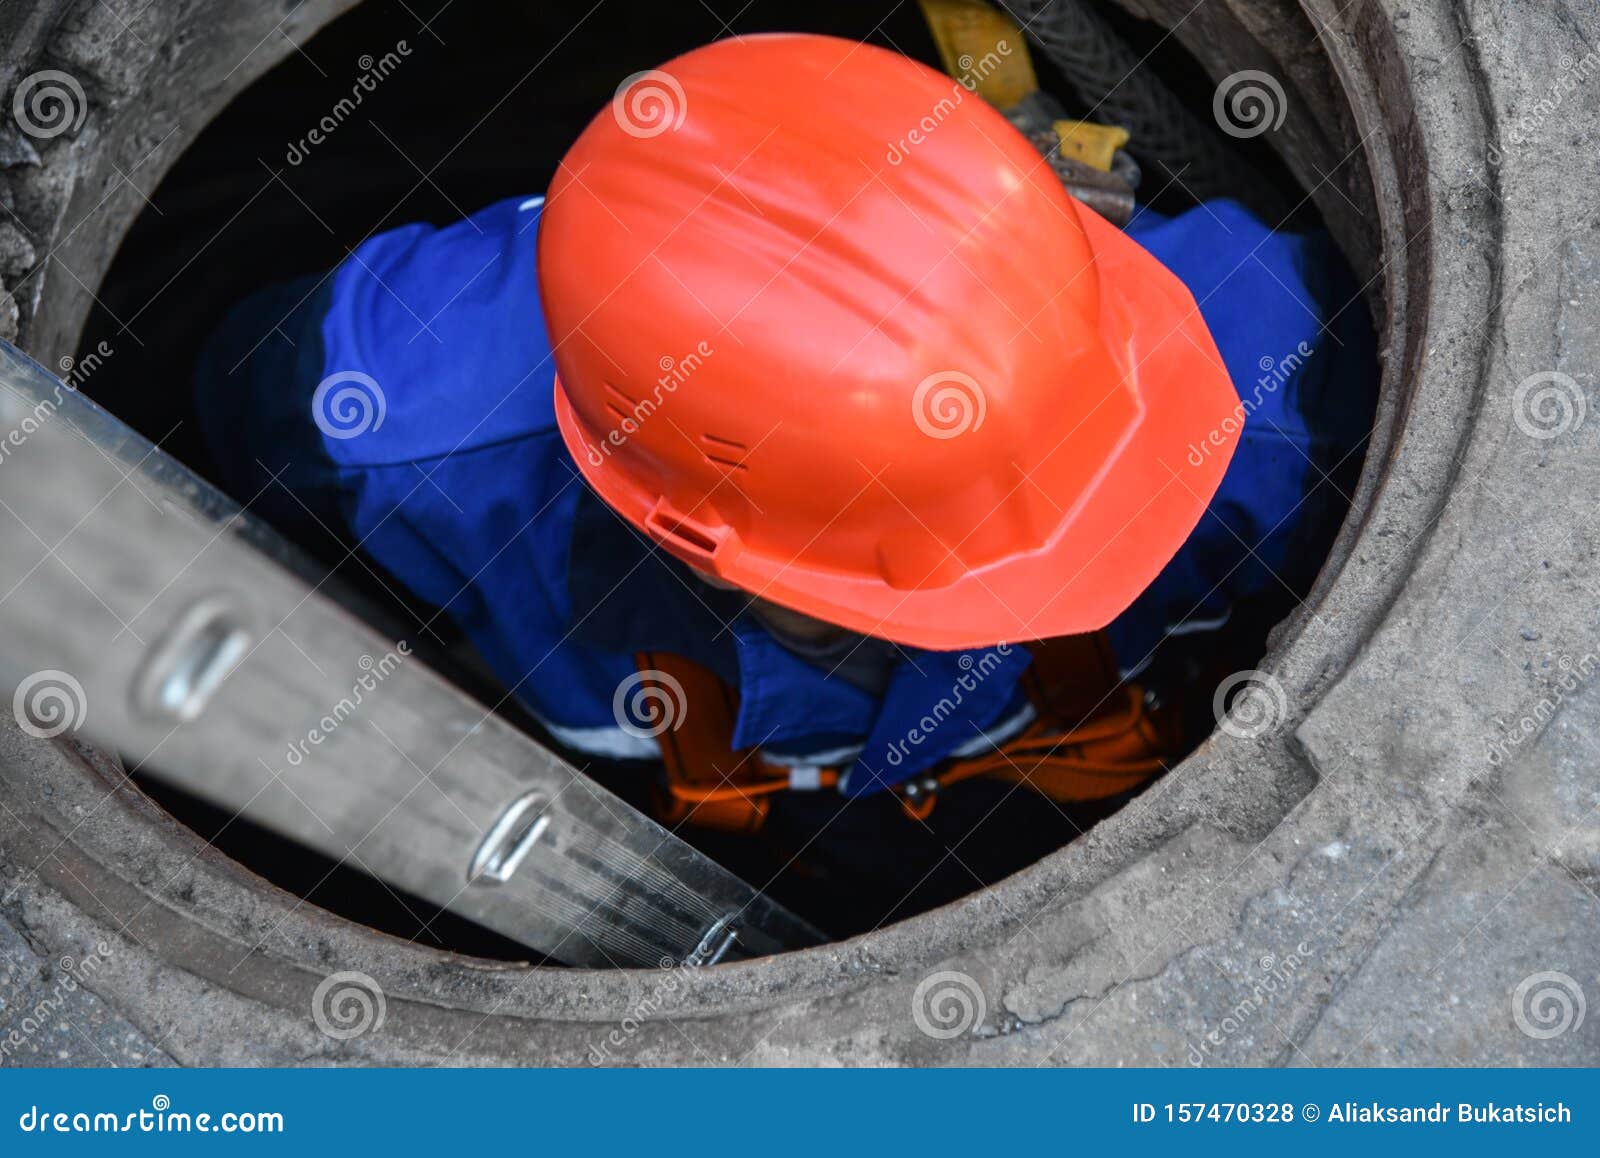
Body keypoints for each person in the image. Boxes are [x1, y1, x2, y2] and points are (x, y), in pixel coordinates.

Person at [192, 33, 1372, 831]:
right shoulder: (382, 413)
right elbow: (214, 408)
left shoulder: (1275, 384)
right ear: (688, 524)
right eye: (967, 572)